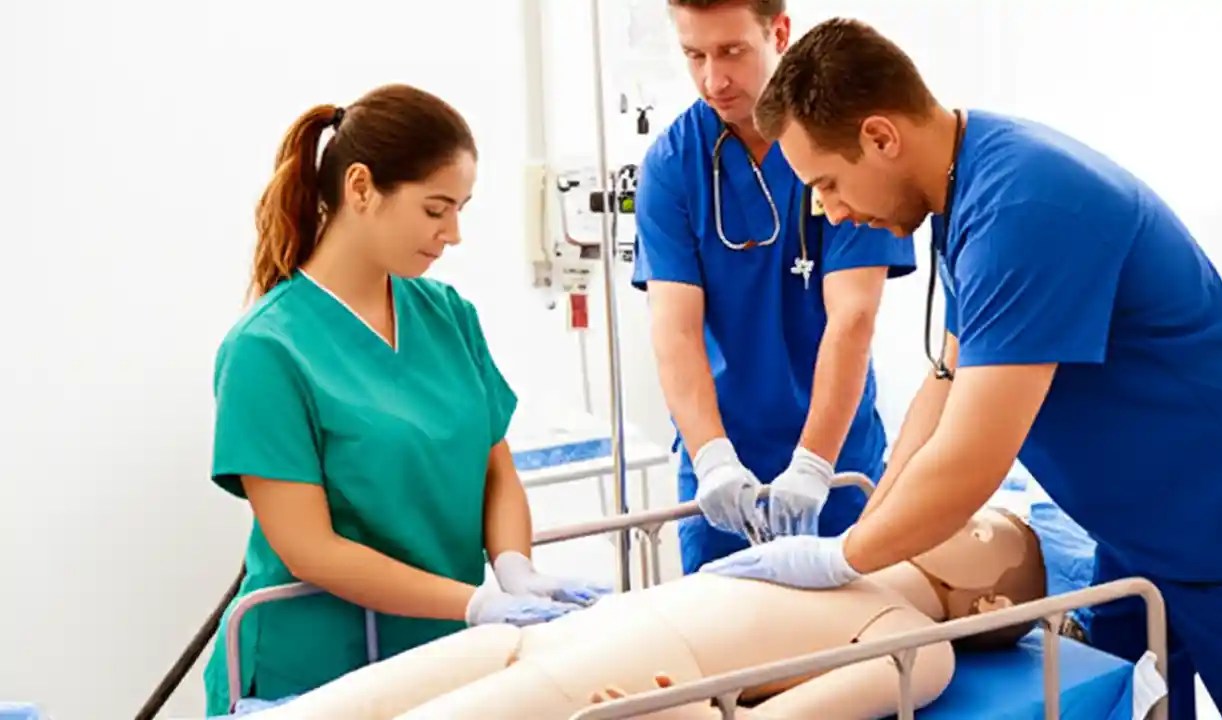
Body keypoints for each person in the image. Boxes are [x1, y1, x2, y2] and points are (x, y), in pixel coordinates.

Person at [700, 17, 1222, 720]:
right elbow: (945, 387)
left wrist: (842, 559)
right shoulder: (968, 186)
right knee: (1126, 693)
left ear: (881, 137)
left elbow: (972, 458)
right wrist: (864, 535)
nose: (831, 211)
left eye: (827, 183)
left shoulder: (1026, 205)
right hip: (1142, 530)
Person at [203, 84, 606, 715]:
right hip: (314, 668)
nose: (453, 234)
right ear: (360, 188)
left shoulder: (448, 316)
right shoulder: (266, 350)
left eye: (461, 209)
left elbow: (494, 468)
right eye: (436, 209)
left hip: (443, 655)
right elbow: (309, 548)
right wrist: (473, 602)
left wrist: (513, 567)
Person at [223, 506, 1049, 720]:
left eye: (983, 526)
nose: (958, 511)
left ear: (993, 603)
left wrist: (677, 708)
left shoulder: (919, 647)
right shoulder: (841, 551)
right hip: (555, 633)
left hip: (613, 673)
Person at [633, 0, 916, 574]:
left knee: (857, 642)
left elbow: (852, 318)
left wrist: (813, 463)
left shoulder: (841, 146)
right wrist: (711, 459)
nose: (714, 79)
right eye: (695, 55)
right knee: (722, 647)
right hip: (721, 470)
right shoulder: (672, 164)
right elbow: (676, 330)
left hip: (836, 462)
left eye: (732, 51)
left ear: (778, 33)